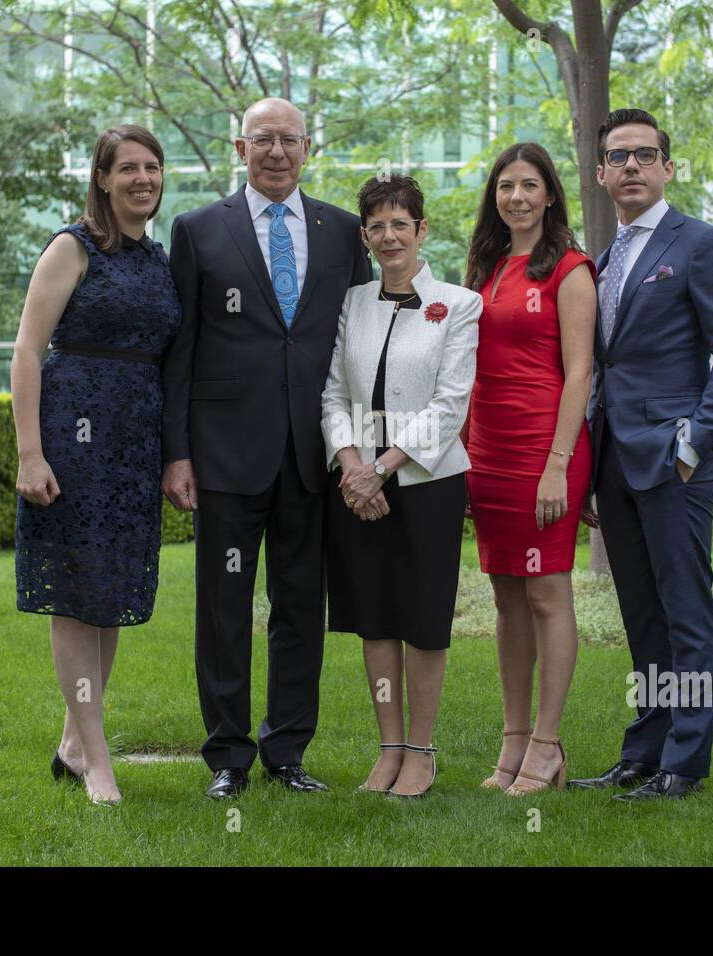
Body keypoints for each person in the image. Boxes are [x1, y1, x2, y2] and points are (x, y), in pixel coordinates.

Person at [161, 98, 372, 800]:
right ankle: (227, 754)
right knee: (223, 606)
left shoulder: (343, 232)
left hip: (312, 456)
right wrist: (178, 453)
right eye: (263, 140)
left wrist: (363, 447)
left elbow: (360, 346)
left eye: (288, 140)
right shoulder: (197, 230)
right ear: (239, 147)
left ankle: (287, 750)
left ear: (307, 148)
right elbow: (181, 349)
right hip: (224, 457)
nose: (276, 152)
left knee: (299, 606)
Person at [568, 108, 713, 801]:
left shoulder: (702, 244)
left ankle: (685, 761)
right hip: (616, 461)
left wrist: (692, 443)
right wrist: (589, 468)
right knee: (642, 615)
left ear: (668, 167)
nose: (631, 167)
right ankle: (642, 751)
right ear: (600, 173)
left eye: (644, 155)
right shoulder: (607, 257)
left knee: (686, 610)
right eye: (617, 157)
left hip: (674, 463)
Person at [13, 125, 182, 807]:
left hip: (133, 442)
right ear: (103, 179)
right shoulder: (70, 246)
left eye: (153, 167)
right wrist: (30, 451)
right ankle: (98, 759)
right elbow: (27, 350)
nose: (144, 178)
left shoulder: (158, 259)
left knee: (108, 594)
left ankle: (73, 743)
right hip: (71, 439)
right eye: (129, 168)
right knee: (78, 597)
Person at [321, 175, 480, 798]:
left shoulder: (460, 304)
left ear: (422, 231)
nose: (390, 236)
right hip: (357, 483)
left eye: (400, 225)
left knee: (423, 617)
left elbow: (450, 404)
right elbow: (333, 391)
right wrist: (352, 464)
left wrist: (382, 467)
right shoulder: (350, 302)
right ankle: (388, 748)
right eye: (378, 227)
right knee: (375, 618)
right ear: (365, 237)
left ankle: (421, 750)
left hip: (427, 482)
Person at [464, 143, 597, 796]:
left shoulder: (569, 269)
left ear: (550, 194)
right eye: (506, 186)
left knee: (547, 593)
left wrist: (556, 466)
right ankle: (513, 742)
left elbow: (580, 374)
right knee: (506, 597)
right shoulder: (485, 267)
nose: (516, 196)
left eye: (529, 185)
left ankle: (548, 747)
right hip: (487, 451)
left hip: (546, 451)